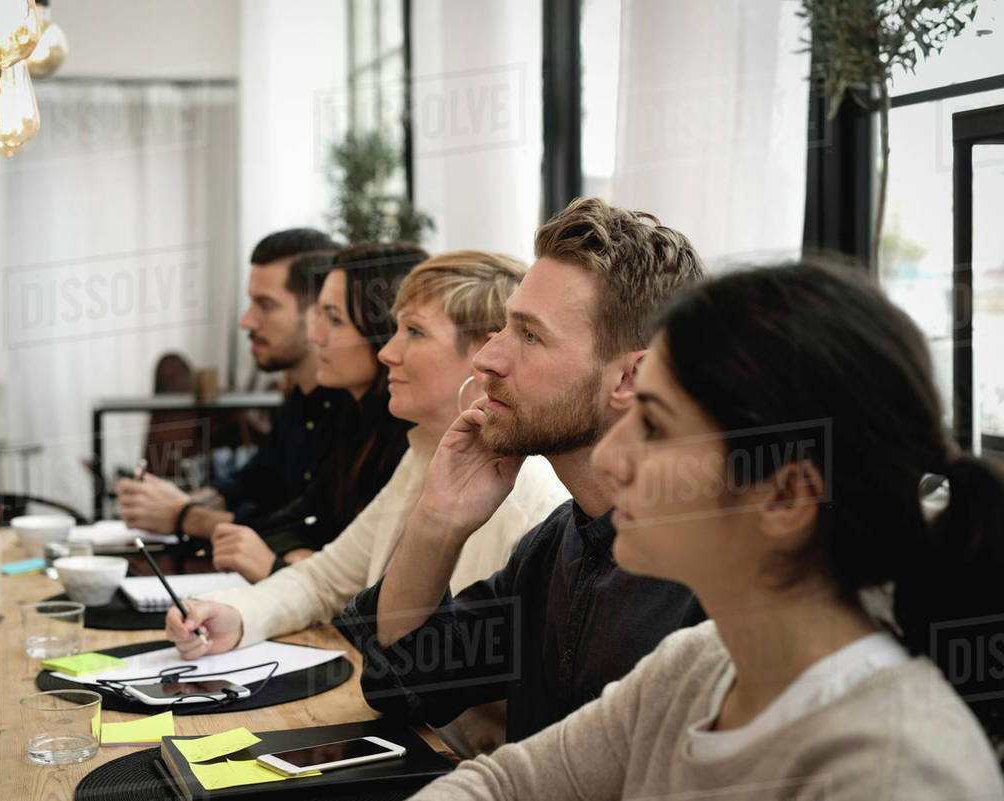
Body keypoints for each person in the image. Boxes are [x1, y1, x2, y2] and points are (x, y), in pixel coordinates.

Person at [407, 260, 1004, 800]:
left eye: (657, 427)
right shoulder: (698, 666)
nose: (614, 458)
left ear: (787, 496)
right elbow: (502, 782)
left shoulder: (895, 773)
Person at [165, 253, 570, 751]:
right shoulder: (425, 452)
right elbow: (326, 578)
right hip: (406, 741)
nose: (387, 353)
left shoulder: (531, 501)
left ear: (485, 352)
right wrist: (237, 615)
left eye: (414, 333)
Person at [338, 198, 708, 743]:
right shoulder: (552, 549)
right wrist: (438, 521)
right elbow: (404, 682)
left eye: (529, 336)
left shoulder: (716, 575)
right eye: (506, 328)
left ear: (631, 379)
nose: (487, 359)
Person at [204, 242, 428, 581]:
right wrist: (299, 558)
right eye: (319, 315)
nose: (315, 335)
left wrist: (281, 567)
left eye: (334, 320)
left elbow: (377, 588)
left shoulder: (413, 439)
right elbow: (285, 523)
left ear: (381, 329)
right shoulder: (353, 420)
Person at [117, 228, 344, 540]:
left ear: (320, 311)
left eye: (265, 305)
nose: (246, 321)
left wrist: (185, 515)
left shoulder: (353, 413)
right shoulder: (299, 400)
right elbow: (256, 480)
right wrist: (179, 501)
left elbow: (304, 533)